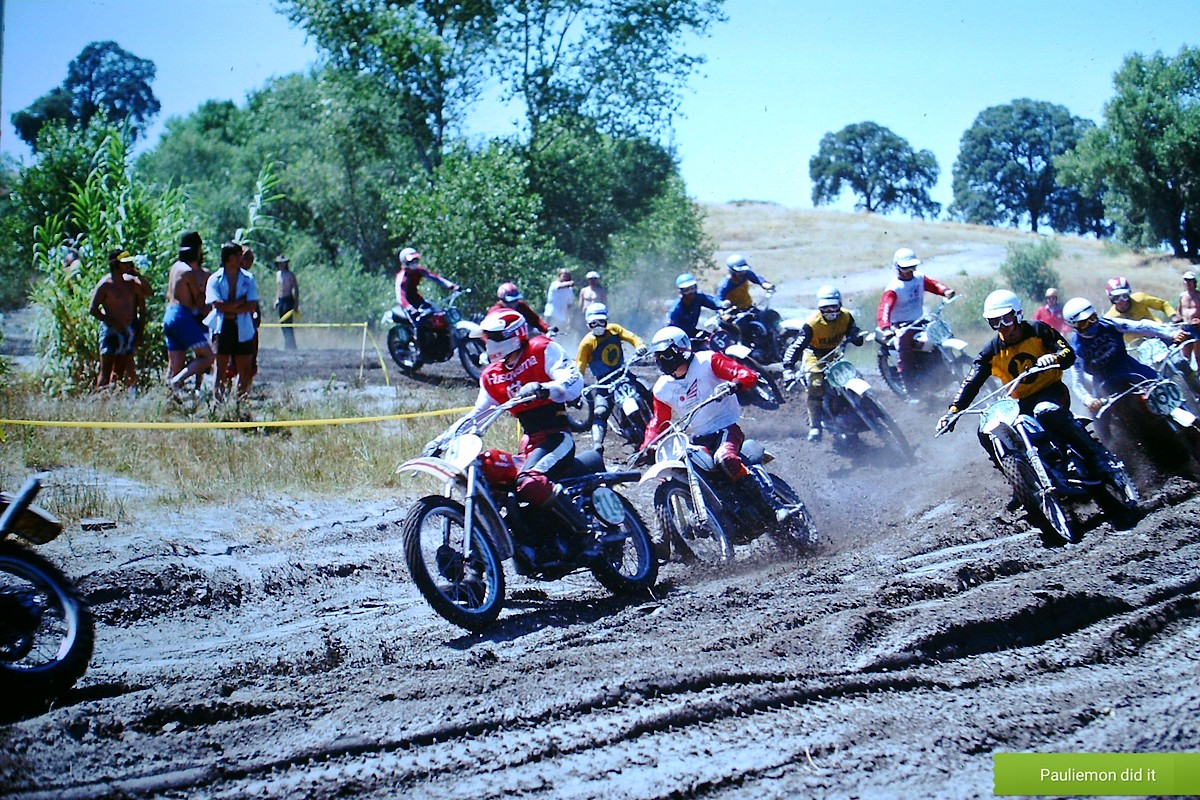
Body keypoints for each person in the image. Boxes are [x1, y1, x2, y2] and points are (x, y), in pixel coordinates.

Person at [428, 308, 590, 558]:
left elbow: (574, 380)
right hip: (528, 445)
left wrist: (546, 388)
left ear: (511, 335)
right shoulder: (492, 376)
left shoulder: (542, 349)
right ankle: (478, 567)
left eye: (491, 337)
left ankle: (586, 532)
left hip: (555, 437)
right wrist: (440, 440)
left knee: (529, 482)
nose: (486, 343)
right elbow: (476, 417)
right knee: (483, 468)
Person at [936, 289, 1120, 477]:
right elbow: (971, 382)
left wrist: (1054, 358)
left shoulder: (1039, 330)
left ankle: (1096, 456)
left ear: (1017, 314)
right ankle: (1020, 479)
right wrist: (953, 412)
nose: (1002, 326)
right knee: (986, 432)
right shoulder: (990, 351)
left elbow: (1068, 354)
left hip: (1053, 391)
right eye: (995, 322)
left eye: (1006, 319)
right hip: (1022, 403)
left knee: (1045, 410)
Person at [639, 326, 796, 523]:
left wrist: (734, 385)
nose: (661, 360)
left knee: (725, 458)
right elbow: (658, 422)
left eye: (666, 354)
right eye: (658, 356)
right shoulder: (662, 388)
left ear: (681, 350)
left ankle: (773, 505)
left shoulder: (707, 360)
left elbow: (746, 374)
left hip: (726, 428)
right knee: (686, 471)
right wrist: (646, 447)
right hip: (699, 437)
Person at [1061, 296, 1189, 417]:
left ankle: (1195, 421)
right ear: (1074, 326)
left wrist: (1171, 333)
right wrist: (1088, 400)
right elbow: (1077, 382)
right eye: (1083, 324)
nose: (1090, 324)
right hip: (1105, 384)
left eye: (1093, 318)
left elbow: (1141, 326)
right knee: (1100, 418)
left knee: (1165, 388)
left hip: (1130, 367)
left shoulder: (1109, 324)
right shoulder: (1076, 349)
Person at [781, 285, 866, 442]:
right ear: (820, 308)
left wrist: (856, 336)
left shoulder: (846, 316)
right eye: (825, 308)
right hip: (815, 355)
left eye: (833, 306)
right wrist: (788, 368)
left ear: (839, 304)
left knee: (855, 376)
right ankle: (815, 426)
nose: (830, 311)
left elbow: (853, 331)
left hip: (834, 353)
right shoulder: (812, 324)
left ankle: (865, 409)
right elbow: (796, 346)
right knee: (816, 384)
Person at [876, 247, 956, 396]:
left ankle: (945, 367)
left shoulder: (919, 278)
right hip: (901, 325)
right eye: (906, 268)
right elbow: (884, 309)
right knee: (903, 349)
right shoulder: (894, 288)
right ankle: (910, 389)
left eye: (912, 267)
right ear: (898, 267)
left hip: (919, 320)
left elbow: (933, 285)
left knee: (942, 331)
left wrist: (945, 291)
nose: (909, 271)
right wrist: (886, 327)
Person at [574, 302, 647, 455]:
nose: (598, 325)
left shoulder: (614, 330)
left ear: (606, 320)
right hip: (603, 382)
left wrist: (639, 345)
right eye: (594, 323)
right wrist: (577, 387)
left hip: (623, 374)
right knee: (600, 411)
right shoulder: (587, 343)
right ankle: (597, 444)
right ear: (588, 324)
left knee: (646, 392)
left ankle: (658, 422)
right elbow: (579, 367)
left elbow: (631, 337)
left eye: (601, 321)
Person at [89, 249, 152, 391]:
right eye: (124, 263)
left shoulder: (131, 282)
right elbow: (93, 309)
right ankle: (100, 400)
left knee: (120, 369)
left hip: (127, 329)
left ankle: (113, 398)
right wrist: (112, 322)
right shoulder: (105, 284)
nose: (128, 265)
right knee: (106, 369)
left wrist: (138, 275)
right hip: (111, 330)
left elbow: (148, 292)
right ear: (115, 265)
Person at [204, 241, 259, 399]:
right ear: (228, 258)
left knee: (245, 368)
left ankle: (240, 404)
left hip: (243, 326)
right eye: (236, 255)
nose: (240, 258)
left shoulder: (248, 278)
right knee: (220, 368)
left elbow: (251, 305)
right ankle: (218, 403)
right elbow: (218, 305)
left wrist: (231, 307)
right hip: (223, 327)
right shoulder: (215, 279)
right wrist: (239, 303)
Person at [163, 231, 216, 394]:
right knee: (207, 357)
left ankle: (169, 401)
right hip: (182, 316)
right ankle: (177, 382)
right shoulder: (188, 272)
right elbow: (197, 301)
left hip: (169, 314)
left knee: (175, 365)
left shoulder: (175, 268)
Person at [1103, 276, 1181, 346]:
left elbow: (1163, 304)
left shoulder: (1140, 299)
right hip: (1138, 347)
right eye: (1116, 298)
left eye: (1124, 296)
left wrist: (1173, 316)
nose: (1122, 301)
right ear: (1110, 298)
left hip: (1160, 334)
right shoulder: (1110, 318)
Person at [395, 246, 457, 317]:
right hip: (407, 305)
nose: (414, 263)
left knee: (438, 315)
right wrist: (410, 308)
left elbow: (435, 278)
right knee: (419, 324)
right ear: (405, 262)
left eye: (415, 260)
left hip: (418, 300)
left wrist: (452, 286)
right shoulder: (401, 276)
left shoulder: (419, 270)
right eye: (411, 261)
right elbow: (400, 297)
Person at [667, 273, 722, 339]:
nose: (691, 293)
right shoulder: (675, 309)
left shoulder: (699, 297)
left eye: (692, 288)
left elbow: (715, 303)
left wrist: (723, 305)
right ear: (681, 292)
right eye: (686, 290)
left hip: (693, 333)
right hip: (680, 338)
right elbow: (670, 329)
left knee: (712, 338)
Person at [275, 254, 300, 350]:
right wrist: (276, 299)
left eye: (283, 263)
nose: (282, 265)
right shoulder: (278, 274)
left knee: (288, 323)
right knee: (282, 323)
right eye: (280, 263)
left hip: (288, 299)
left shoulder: (290, 275)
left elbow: (296, 288)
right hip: (281, 300)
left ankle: (291, 345)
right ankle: (287, 343)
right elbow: (278, 288)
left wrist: (296, 303)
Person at [1176, 271, 1200, 369]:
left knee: (1198, 356)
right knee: (1185, 357)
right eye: (1186, 280)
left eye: (1190, 281)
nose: (1188, 283)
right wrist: (1178, 320)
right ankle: (1188, 380)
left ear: (1194, 282)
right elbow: (1179, 310)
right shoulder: (1182, 296)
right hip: (1185, 327)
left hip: (1197, 328)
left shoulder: (1199, 296)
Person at [544, 269, 575, 334]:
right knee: (547, 333)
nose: (566, 278)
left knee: (559, 335)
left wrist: (569, 319)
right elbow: (560, 286)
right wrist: (569, 283)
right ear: (559, 276)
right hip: (551, 314)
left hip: (562, 317)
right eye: (564, 276)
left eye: (567, 276)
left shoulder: (569, 289)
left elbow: (569, 305)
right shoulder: (554, 284)